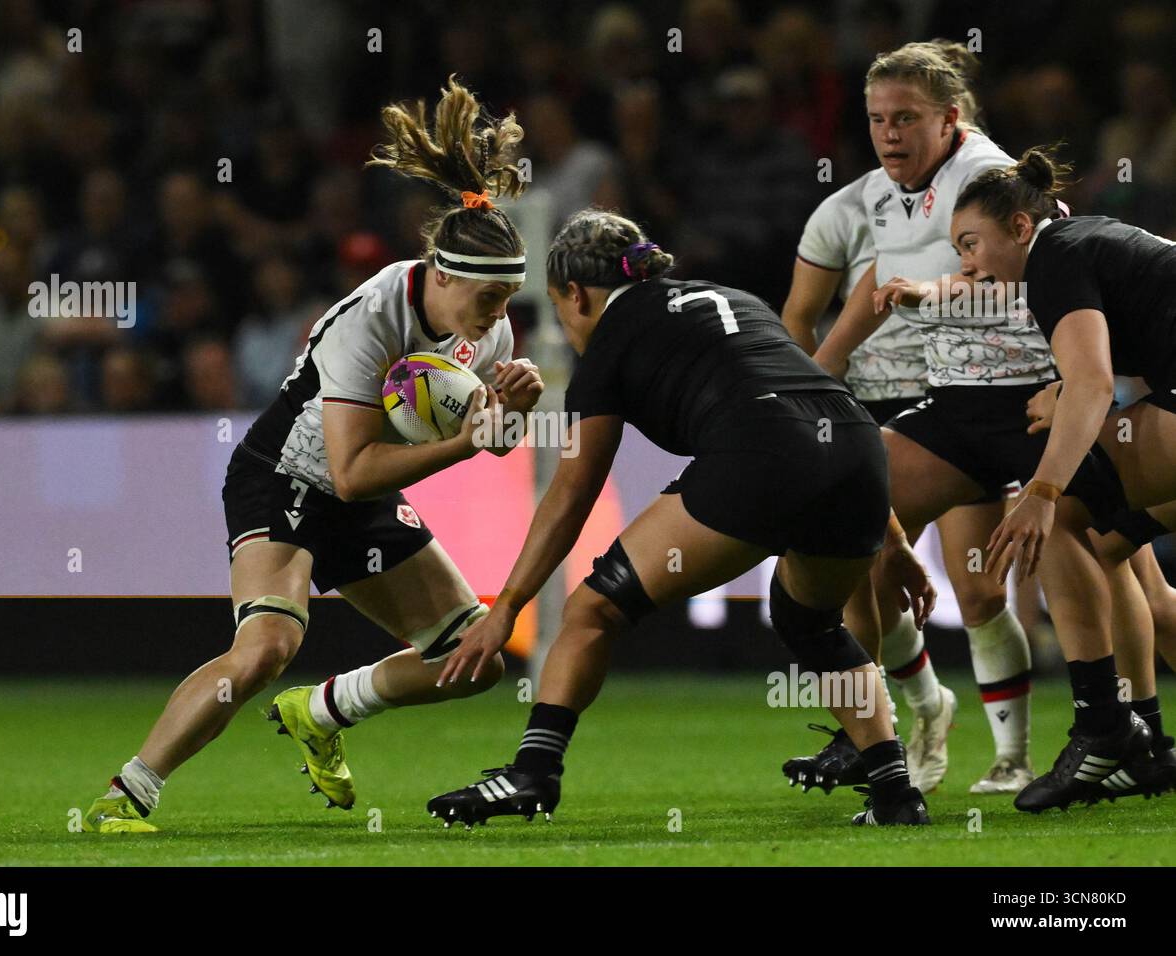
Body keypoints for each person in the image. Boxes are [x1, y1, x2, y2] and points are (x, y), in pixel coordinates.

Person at [82, 78, 545, 832]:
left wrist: (506, 419)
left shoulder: (486, 332)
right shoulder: (371, 319)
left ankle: (323, 710)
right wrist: (469, 441)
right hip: (285, 477)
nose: (500, 320)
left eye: (507, 303)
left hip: (357, 494)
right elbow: (355, 464)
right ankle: (126, 792)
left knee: (476, 658)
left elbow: (461, 439)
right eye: (491, 300)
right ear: (447, 274)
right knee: (267, 646)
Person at [426, 210, 937, 829]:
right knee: (813, 623)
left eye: (560, 308)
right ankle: (894, 790)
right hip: (858, 451)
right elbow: (811, 404)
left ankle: (533, 773)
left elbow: (572, 490)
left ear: (575, 294)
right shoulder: (734, 298)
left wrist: (507, 606)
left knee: (594, 611)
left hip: (760, 453)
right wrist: (896, 541)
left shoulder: (611, 339)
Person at [808, 42, 1050, 794]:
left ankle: (1083, 736)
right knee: (855, 536)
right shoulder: (887, 189)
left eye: (905, 118)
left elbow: (1035, 270)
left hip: (1017, 398)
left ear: (950, 119)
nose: (888, 134)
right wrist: (828, 363)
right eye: (878, 119)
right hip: (941, 400)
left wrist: (1076, 382)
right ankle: (898, 722)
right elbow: (881, 272)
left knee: (1055, 585)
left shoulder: (987, 177)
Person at [941, 148, 1176, 809]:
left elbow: (1093, 382)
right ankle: (1145, 743)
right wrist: (1073, 389)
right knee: (1106, 546)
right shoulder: (1085, 242)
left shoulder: (1054, 260)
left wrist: (1041, 493)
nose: (966, 263)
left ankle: (1106, 730)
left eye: (970, 243)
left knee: (1069, 515)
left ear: (1019, 227)